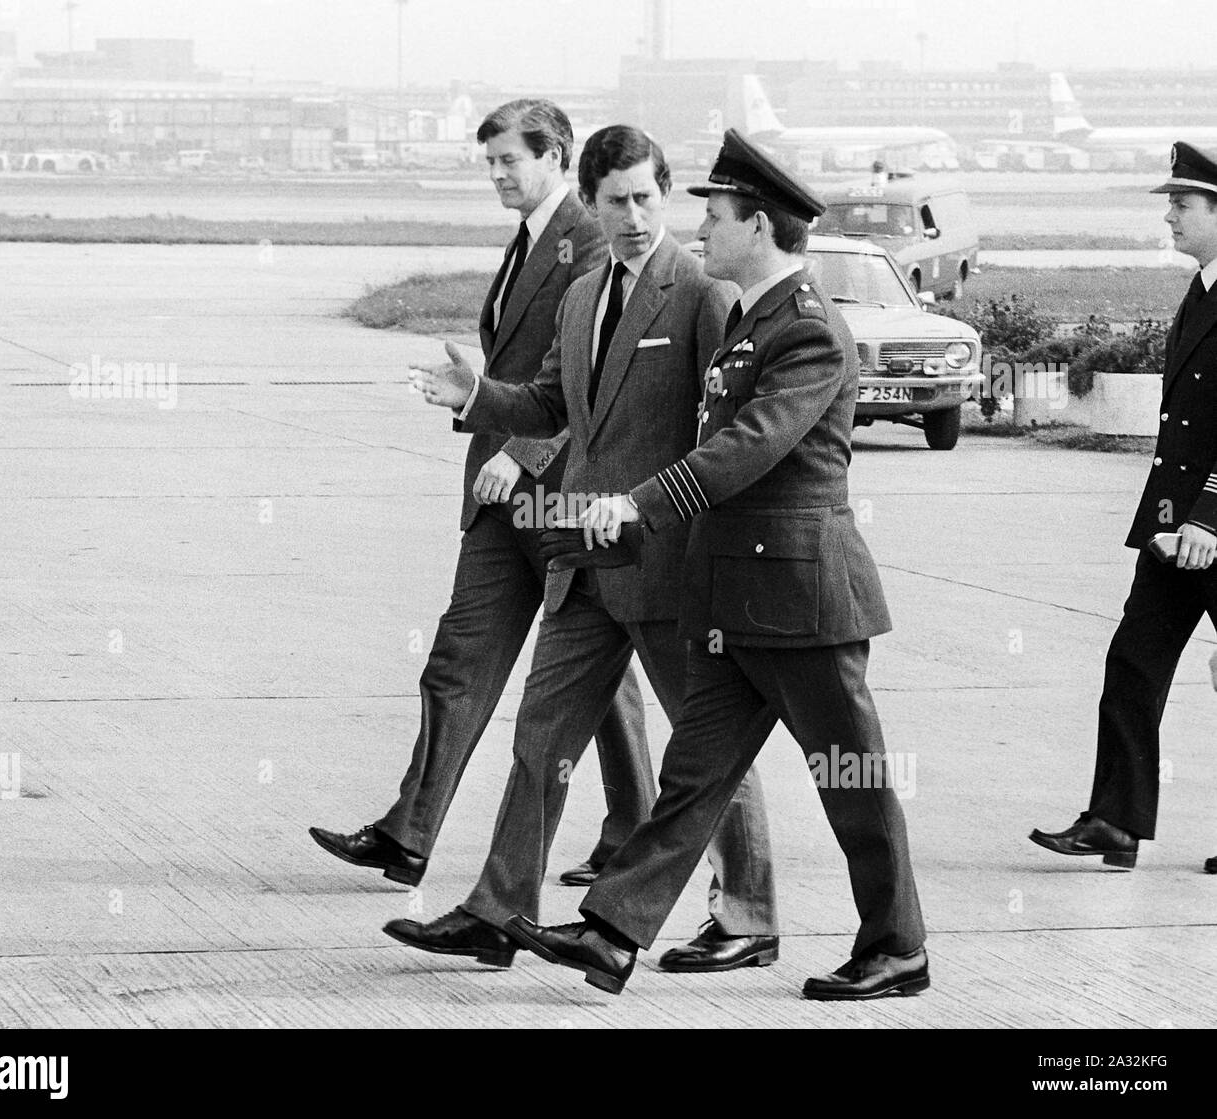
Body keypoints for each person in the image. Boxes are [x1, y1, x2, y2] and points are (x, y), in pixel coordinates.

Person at [500, 128, 929, 1001]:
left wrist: (639, 502)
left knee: (852, 780)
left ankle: (897, 947)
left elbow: (745, 447)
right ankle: (613, 932)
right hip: (737, 599)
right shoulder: (750, 320)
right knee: (692, 783)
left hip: (805, 603)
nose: (699, 233)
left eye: (716, 216)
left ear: (761, 228)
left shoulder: (808, 331)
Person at [399, 124, 780, 972]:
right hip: (582, 561)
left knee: (706, 744)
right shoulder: (581, 298)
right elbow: (550, 404)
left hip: (666, 566)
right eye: (617, 202)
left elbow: (723, 440)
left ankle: (748, 914)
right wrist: (479, 396)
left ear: (665, 193)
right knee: (540, 741)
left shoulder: (701, 293)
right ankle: (497, 912)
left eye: (647, 198)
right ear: (595, 202)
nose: (635, 217)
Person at [308, 100, 651, 892]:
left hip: (561, 496)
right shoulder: (532, 239)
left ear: (555, 154)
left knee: (599, 681)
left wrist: (526, 452)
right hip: (503, 504)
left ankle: (639, 833)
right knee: (458, 662)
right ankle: (410, 831)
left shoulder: (592, 236)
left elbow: (601, 376)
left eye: (509, 161)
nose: (497, 175)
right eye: (490, 163)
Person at [1031, 141, 1217, 873]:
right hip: (1176, 527)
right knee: (1135, 661)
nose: (1169, 215)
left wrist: (1209, 516)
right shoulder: (1201, 290)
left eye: (1182, 203)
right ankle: (1115, 819)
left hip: (1206, 525)